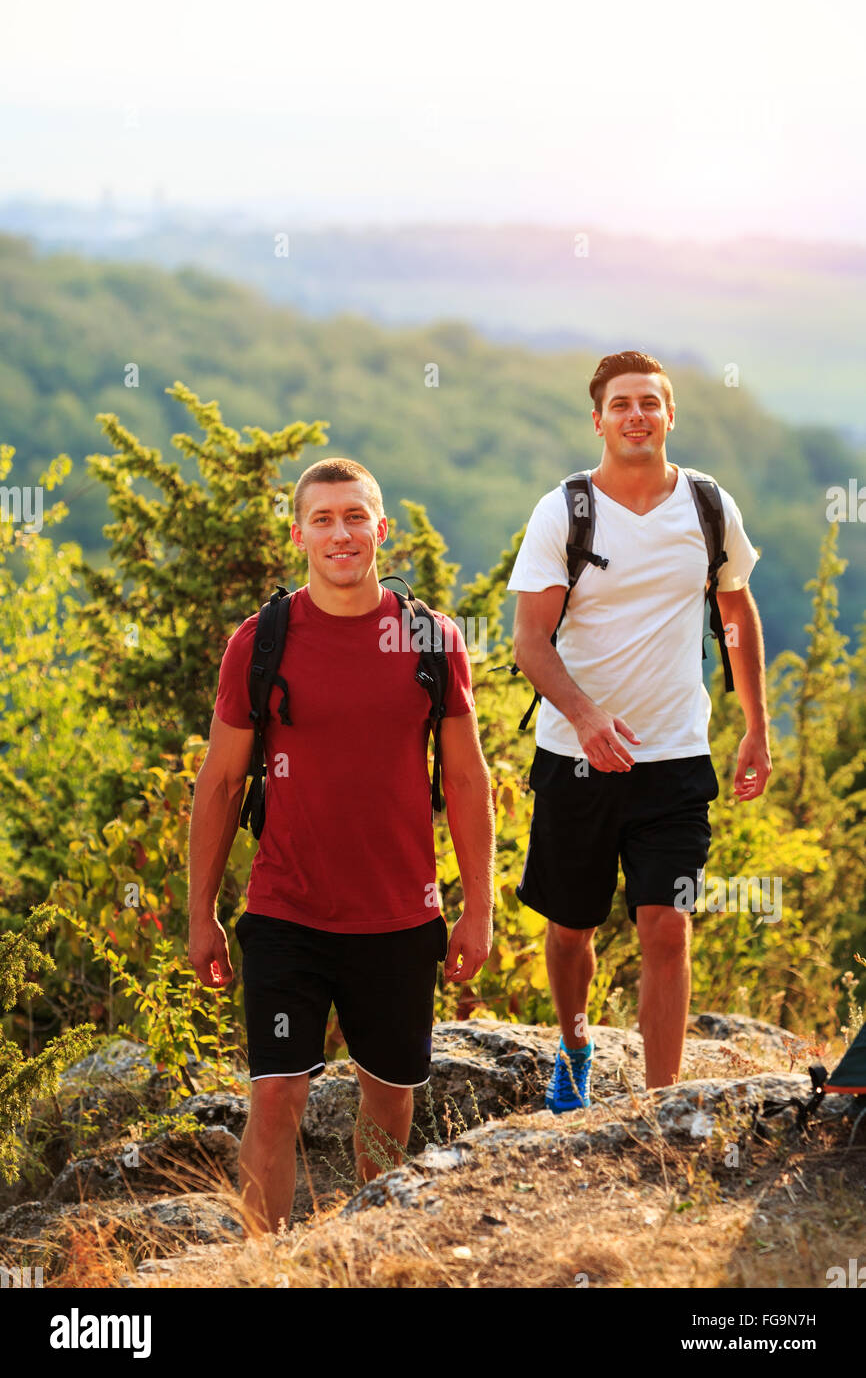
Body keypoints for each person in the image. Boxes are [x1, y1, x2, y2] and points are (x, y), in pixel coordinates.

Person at [187, 457, 495, 1233]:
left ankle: (371, 1252)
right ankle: (263, 1270)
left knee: (389, 1099)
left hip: (398, 915)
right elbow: (220, 783)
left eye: (355, 516)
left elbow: (467, 779)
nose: (341, 534)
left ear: (381, 528)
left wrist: (479, 908)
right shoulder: (261, 641)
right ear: (299, 536)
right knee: (275, 1094)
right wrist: (200, 914)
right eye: (322, 519)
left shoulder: (428, 637)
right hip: (287, 910)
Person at [508, 351, 771, 1111]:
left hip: (675, 757)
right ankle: (575, 1049)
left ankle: (662, 1105)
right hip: (576, 759)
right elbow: (529, 641)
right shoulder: (564, 511)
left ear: (670, 415)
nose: (636, 416)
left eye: (649, 403)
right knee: (571, 932)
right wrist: (587, 718)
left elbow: (735, 611)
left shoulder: (708, 506)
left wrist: (755, 727)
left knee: (666, 926)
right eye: (621, 404)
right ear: (598, 420)